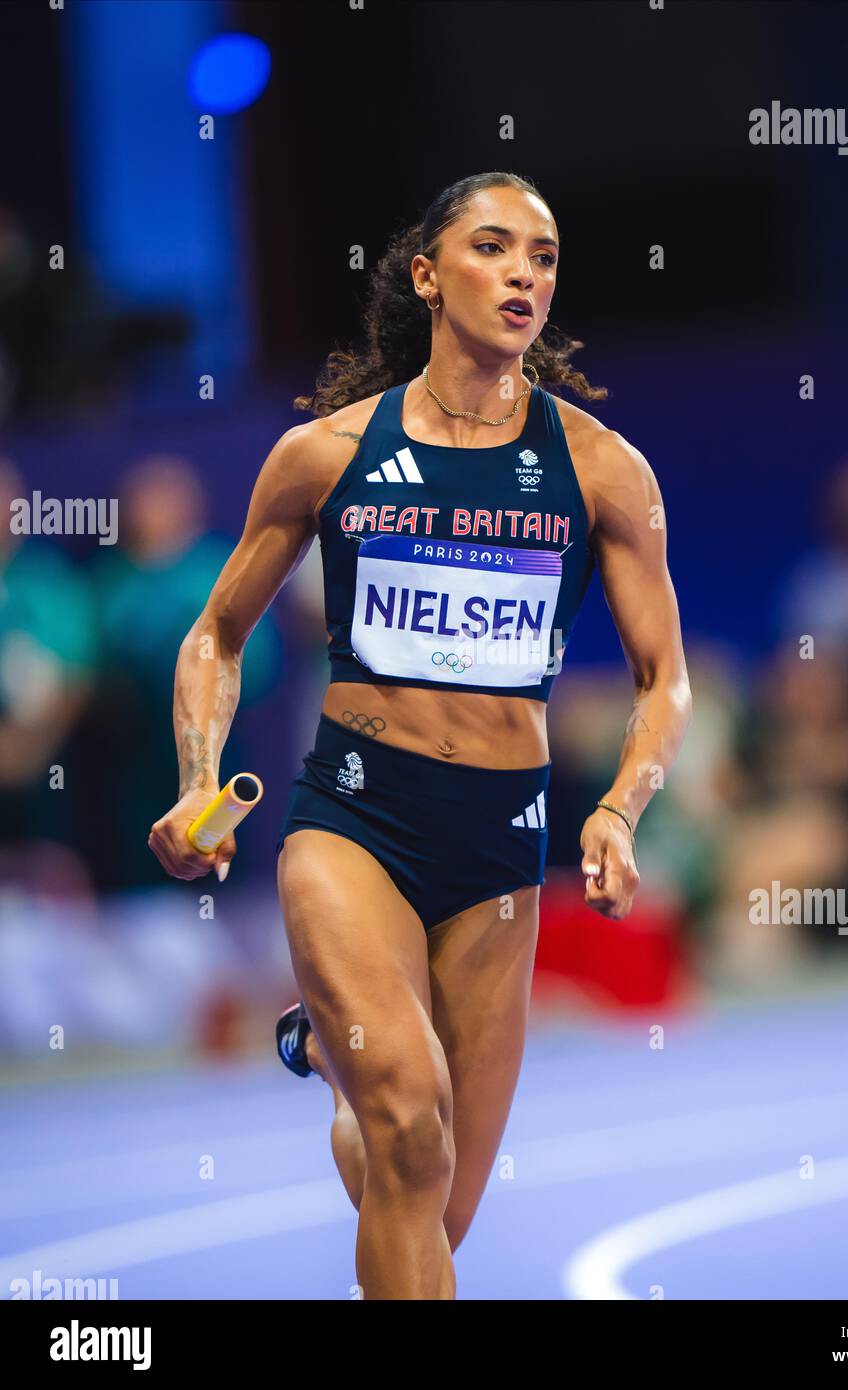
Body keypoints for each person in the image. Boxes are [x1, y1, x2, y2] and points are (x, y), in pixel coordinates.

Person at [148, 171, 692, 1299]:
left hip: (499, 848)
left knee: (431, 1193)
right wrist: (198, 778)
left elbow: (664, 680)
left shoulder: (602, 471)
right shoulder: (327, 455)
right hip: (354, 816)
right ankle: (362, 1067)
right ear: (429, 275)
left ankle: (336, 1066)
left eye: (543, 257)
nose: (524, 276)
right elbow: (214, 636)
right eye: (495, 249)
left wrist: (620, 803)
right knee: (408, 1119)